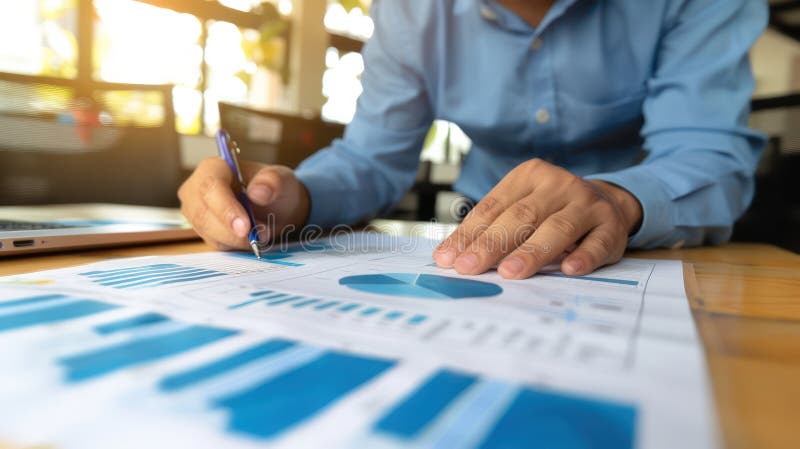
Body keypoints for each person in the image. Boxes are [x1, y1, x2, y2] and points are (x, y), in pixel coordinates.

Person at [178, 0, 768, 280]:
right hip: (479, 247)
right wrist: (292, 195)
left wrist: (616, 199)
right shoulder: (410, 13)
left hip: (648, 247)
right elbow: (371, 159)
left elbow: (710, 153)